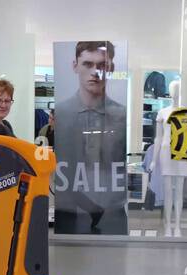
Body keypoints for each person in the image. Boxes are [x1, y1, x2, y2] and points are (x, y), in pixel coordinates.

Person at [53, 41, 129, 235]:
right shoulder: (62, 113)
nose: (95, 72)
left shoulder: (120, 114)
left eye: (102, 65)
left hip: (112, 210)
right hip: (69, 210)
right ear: (75, 66)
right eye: (88, 64)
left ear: (110, 68)